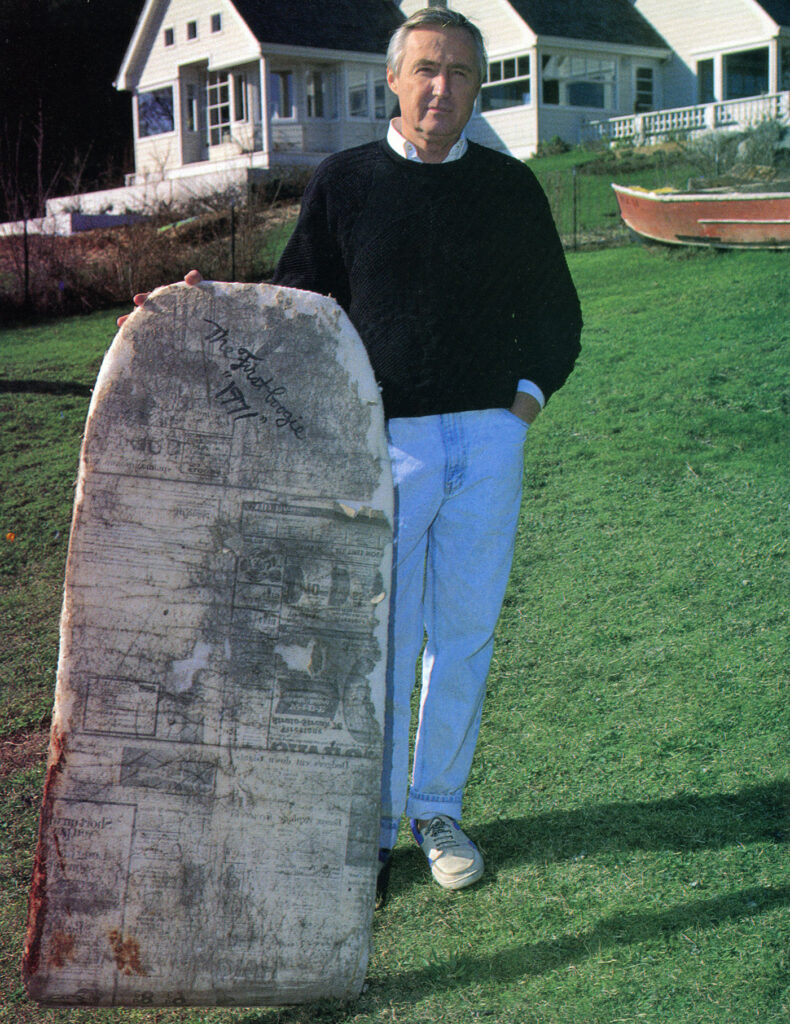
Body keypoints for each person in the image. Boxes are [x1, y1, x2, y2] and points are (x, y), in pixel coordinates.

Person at [120, 7, 582, 898]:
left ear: (477, 87)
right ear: (394, 81)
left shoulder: (509, 187)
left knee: (465, 636)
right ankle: (369, 826)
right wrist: (205, 307)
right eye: (426, 69)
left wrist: (523, 403)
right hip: (384, 449)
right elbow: (296, 306)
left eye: (459, 72)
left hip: (489, 442)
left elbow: (556, 310)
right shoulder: (346, 183)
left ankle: (437, 809)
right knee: (382, 642)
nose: (441, 87)